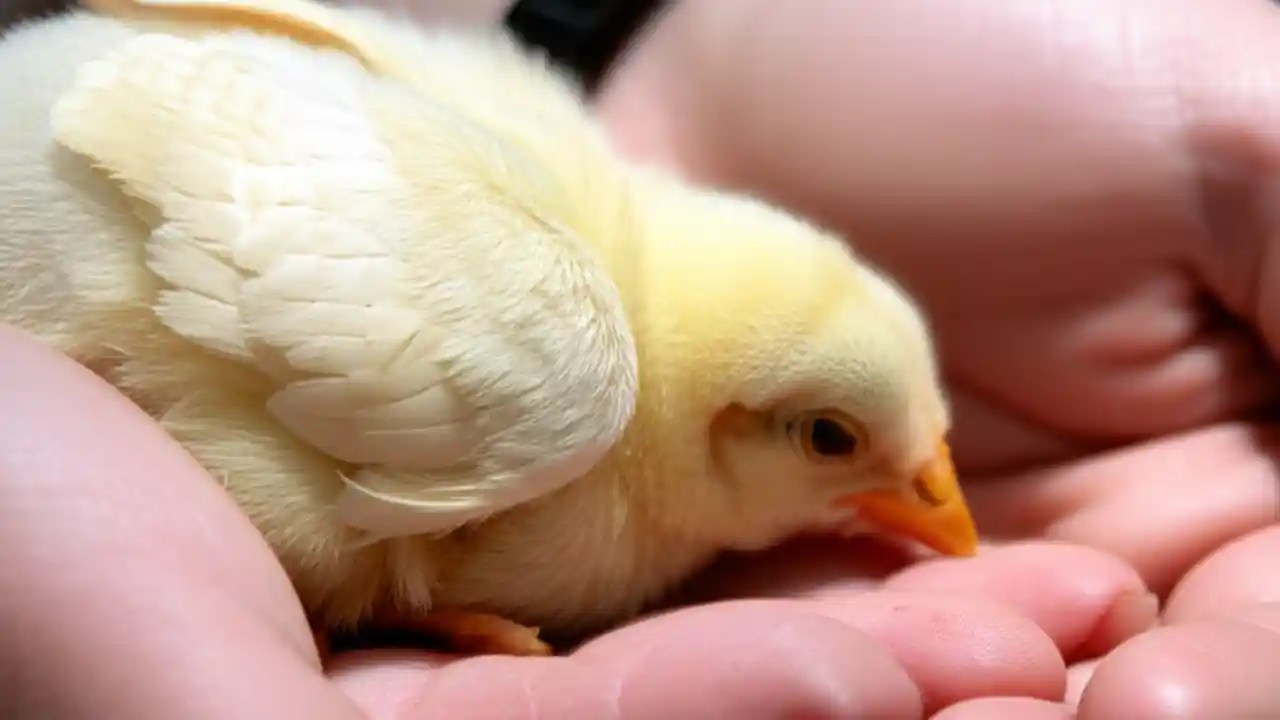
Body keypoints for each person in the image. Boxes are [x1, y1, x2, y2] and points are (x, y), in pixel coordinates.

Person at [1, 1, 1277, 717]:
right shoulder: (558, 368)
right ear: (725, 412)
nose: (934, 507)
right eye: (834, 439)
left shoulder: (589, 186)